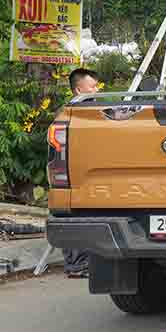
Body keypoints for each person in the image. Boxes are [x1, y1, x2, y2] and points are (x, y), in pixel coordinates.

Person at [62, 68, 99, 278]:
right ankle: (77, 265)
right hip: (77, 174)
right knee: (78, 216)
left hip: (91, 173)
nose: (96, 90)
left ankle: (81, 263)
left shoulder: (90, 109)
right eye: (92, 86)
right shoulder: (74, 112)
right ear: (78, 89)